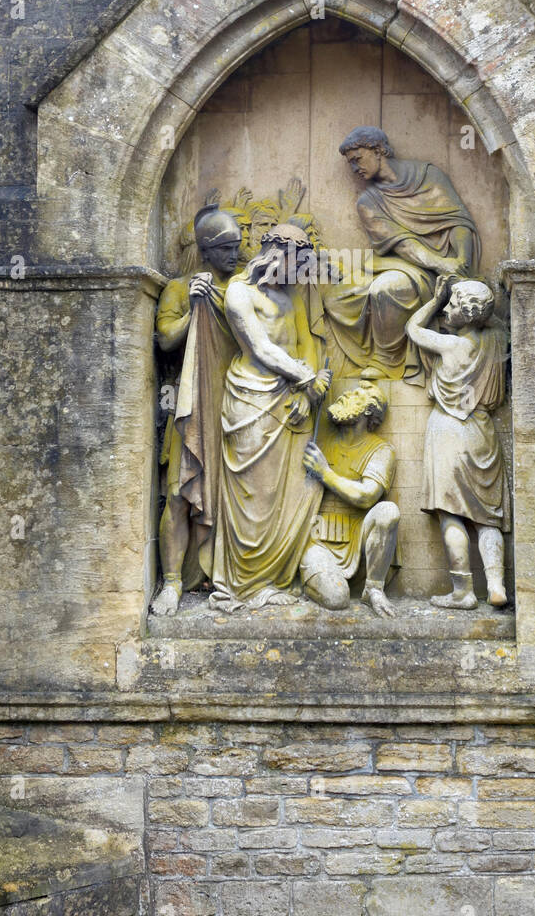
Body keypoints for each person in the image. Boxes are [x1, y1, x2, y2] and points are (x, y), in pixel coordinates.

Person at [210, 224, 331, 610]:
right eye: (298, 262)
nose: (300, 271)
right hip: (249, 402)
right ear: (276, 254)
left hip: (287, 405)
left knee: (286, 493)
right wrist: (307, 379)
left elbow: (303, 346)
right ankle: (242, 583)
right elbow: (259, 347)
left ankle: (273, 578)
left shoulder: (289, 299)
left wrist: (306, 396)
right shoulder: (238, 292)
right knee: (254, 496)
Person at [322, 126, 481, 381]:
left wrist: (462, 262)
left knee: (386, 288)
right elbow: (403, 245)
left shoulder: (429, 176)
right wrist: (442, 264)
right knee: (334, 300)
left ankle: (386, 360)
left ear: (378, 150)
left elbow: (457, 222)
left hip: (431, 272)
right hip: (407, 263)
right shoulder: (369, 201)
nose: (355, 169)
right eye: (350, 164)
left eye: (357, 160)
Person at [152, 206, 242, 615]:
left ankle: (223, 576)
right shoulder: (179, 288)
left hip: (237, 404)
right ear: (206, 249)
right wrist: (193, 309)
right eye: (226, 247)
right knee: (178, 494)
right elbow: (166, 340)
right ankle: (172, 583)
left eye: (238, 246)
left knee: (231, 495)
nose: (234, 254)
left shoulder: (243, 287)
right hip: (191, 406)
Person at [406, 276, 510, 609]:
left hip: (447, 430)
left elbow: (413, 329)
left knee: (451, 515)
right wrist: (482, 309)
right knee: (486, 517)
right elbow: (496, 323)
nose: (448, 309)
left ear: (465, 314)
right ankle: (496, 586)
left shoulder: (448, 345)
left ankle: (463, 591)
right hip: (482, 432)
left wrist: (435, 300)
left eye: (454, 305)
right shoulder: (497, 340)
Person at [301, 384, 399, 617]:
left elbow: (366, 495)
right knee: (336, 597)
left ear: (369, 411)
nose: (346, 394)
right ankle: (303, 580)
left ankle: (373, 589)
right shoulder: (321, 443)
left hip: (358, 539)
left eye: (356, 394)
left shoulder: (381, 450)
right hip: (317, 540)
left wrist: (324, 473)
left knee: (388, 511)